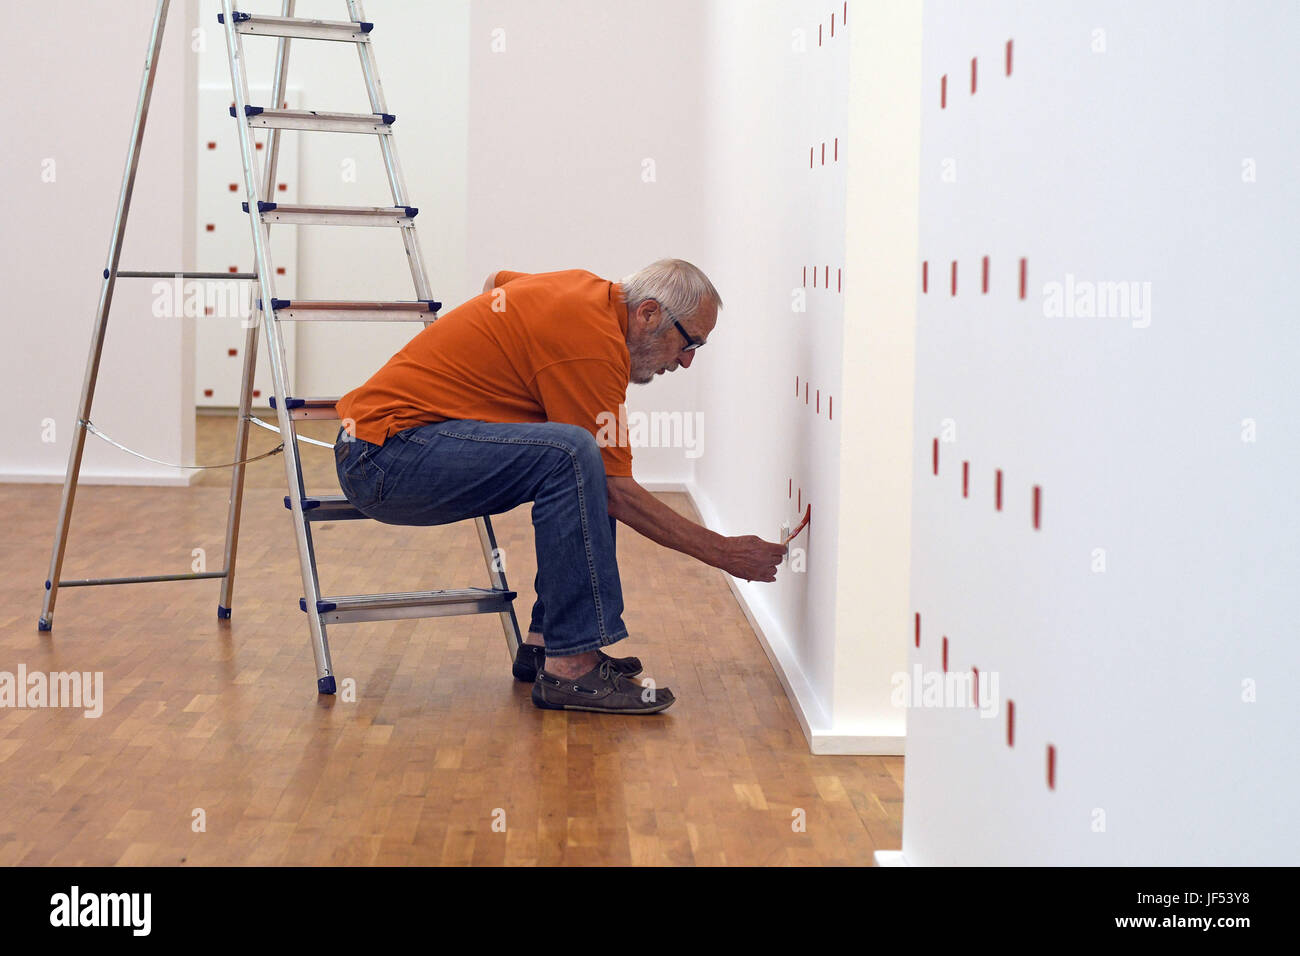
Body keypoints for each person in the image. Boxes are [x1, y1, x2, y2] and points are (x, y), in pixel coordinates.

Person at [333, 259, 786, 714]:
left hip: (392, 445)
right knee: (574, 453)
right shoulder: (591, 346)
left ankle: (547, 641)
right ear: (648, 313)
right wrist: (723, 553)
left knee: (580, 462)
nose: (686, 361)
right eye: (689, 343)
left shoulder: (584, 294)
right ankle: (571, 668)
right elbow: (618, 494)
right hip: (384, 461)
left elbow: (496, 282)